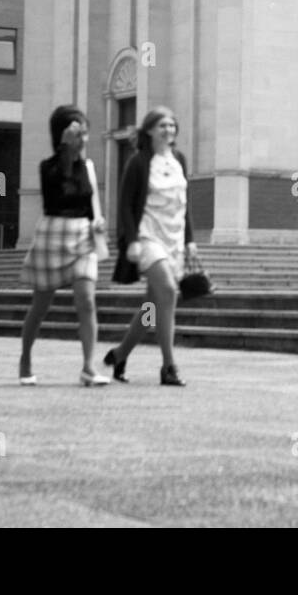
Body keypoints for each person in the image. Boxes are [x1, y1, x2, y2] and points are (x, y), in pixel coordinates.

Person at [18, 104, 109, 387]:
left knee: (87, 300)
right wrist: (67, 152)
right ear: (62, 136)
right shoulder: (49, 168)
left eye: (85, 133)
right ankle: (25, 359)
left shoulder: (89, 167)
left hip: (82, 237)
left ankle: (88, 367)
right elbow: (58, 193)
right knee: (40, 306)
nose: (83, 139)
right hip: (53, 235)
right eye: (77, 134)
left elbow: (89, 203)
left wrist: (99, 222)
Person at [104, 106, 195, 386]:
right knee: (168, 291)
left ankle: (120, 354)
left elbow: (183, 202)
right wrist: (130, 241)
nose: (168, 130)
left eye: (171, 125)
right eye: (161, 126)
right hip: (148, 237)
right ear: (149, 131)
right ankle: (169, 366)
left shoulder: (179, 159)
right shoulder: (139, 161)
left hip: (174, 238)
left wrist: (190, 240)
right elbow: (126, 205)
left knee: (152, 308)